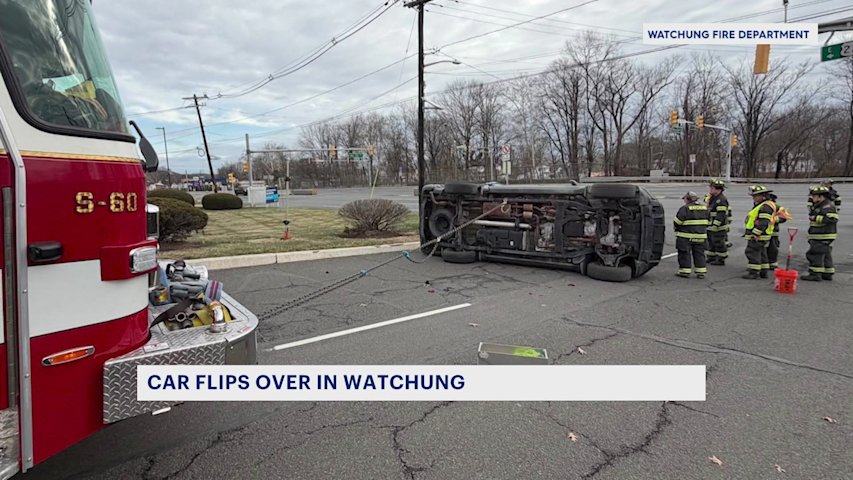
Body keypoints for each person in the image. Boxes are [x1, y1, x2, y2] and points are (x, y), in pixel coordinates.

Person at [802, 186, 839, 281]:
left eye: (814, 196)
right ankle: (827, 273)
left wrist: (815, 218)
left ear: (821, 196)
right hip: (822, 235)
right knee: (825, 254)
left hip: (822, 235)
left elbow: (832, 219)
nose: (812, 198)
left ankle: (815, 274)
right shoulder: (820, 205)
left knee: (815, 253)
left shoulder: (827, 206)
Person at [742, 186, 777, 280]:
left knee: (752, 252)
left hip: (759, 235)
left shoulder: (765, 206)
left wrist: (755, 233)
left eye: (756, 196)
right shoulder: (765, 204)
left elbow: (763, 222)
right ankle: (763, 271)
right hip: (763, 235)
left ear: (763, 196)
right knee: (762, 252)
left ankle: (754, 272)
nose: (753, 198)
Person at [674, 191, 709, 279]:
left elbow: (677, 222)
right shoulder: (704, 208)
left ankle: (684, 271)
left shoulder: (685, 208)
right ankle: (701, 272)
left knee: (684, 253)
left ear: (688, 199)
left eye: (685, 199)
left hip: (686, 236)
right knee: (699, 254)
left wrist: (677, 230)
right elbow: (709, 221)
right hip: (701, 236)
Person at [705, 179, 731, 265]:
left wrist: (715, 225)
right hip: (711, 225)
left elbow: (721, 215)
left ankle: (720, 259)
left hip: (718, 227)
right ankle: (711, 257)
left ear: (718, 189)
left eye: (712, 188)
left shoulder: (721, 200)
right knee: (711, 243)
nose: (710, 189)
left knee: (719, 243)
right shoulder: (713, 198)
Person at [766, 192, 792, 270]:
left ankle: (773, 264)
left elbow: (785, 217)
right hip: (763, 232)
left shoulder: (777, 207)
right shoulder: (761, 206)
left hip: (773, 232)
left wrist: (774, 219)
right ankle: (764, 263)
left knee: (772, 248)